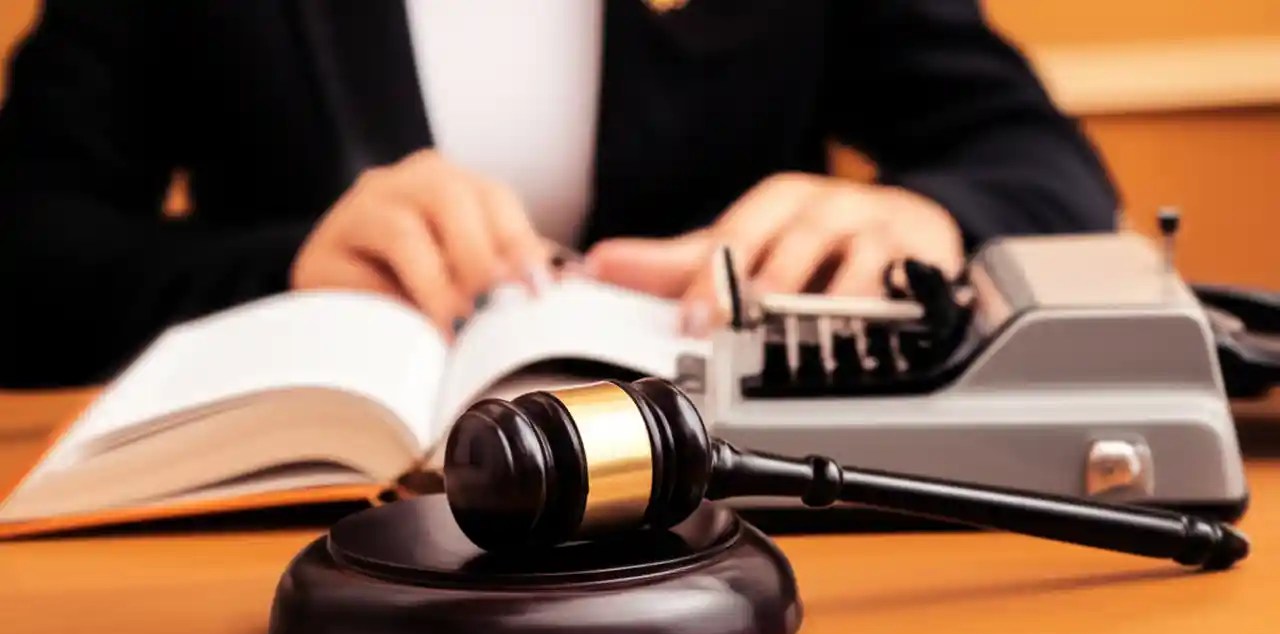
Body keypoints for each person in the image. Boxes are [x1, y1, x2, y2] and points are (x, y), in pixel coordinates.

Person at [0, 0, 1118, 388]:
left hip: (746, 515)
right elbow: (26, 250)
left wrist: (926, 220)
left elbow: (1037, 157)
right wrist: (286, 270)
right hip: (294, 528)